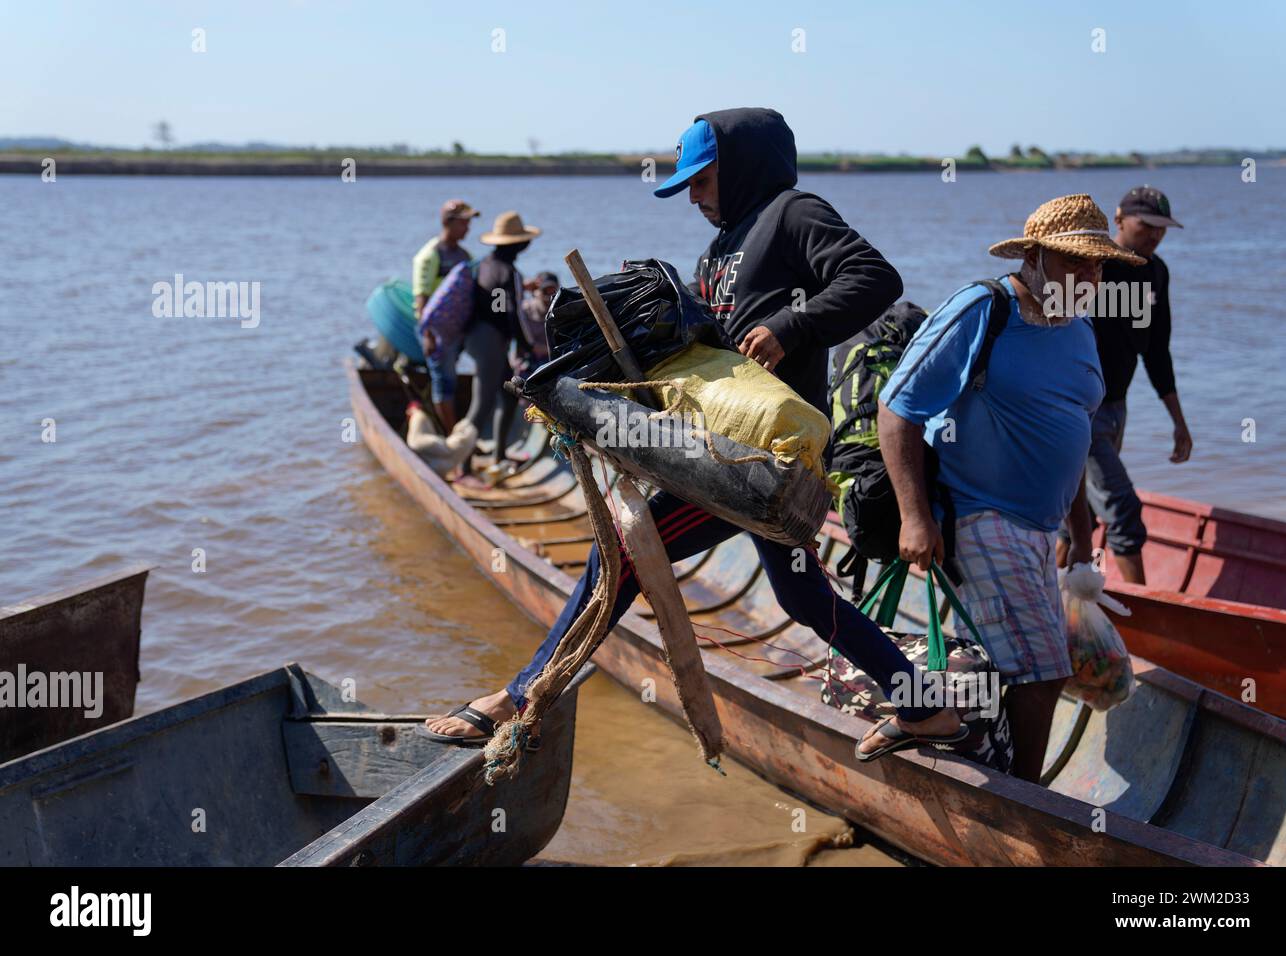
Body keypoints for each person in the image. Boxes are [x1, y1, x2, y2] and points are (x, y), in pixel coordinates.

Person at [423, 107, 967, 763]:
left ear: (738, 168)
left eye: (701, 182)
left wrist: (791, 328)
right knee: (800, 596)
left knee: (621, 554)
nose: (694, 199)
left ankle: (521, 696)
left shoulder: (794, 213)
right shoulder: (720, 248)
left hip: (766, 458)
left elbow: (875, 278)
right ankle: (924, 705)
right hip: (721, 448)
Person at [877, 193, 1146, 781]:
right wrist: (914, 518)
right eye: (1077, 263)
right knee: (1045, 667)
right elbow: (898, 411)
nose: (1091, 277)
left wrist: (1078, 534)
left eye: (1099, 265)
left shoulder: (1077, 330)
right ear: (1033, 257)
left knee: (1007, 664)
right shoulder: (983, 309)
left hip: (1039, 529)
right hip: (978, 515)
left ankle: (976, 762)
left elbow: (1071, 436)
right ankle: (1028, 799)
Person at [1056, 186, 1191, 584]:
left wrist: (1178, 422)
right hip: (1081, 413)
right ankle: (1144, 622)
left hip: (1116, 409)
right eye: (1146, 225)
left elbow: (1157, 351)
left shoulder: (1156, 273)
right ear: (1118, 220)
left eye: (1162, 228)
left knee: (1081, 511)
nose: (1154, 235)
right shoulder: (1093, 269)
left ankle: (1054, 594)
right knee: (1123, 511)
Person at [460, 211, 540, 487]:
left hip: (477, 338)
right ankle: (464, 468)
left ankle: (498, 457)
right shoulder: (511, 273)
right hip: (490, 342)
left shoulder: (485, 264)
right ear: (518, 245)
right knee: (480, 406)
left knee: (506, 398)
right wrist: (529, 346)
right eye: (525, 241)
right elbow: (516, 315)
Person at [414, 199, 479, 433]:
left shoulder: (464, 254)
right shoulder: (430, 255)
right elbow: (422, 298)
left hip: (456, 330)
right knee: (444, 383)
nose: (468, 229)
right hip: (436, 331)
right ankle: (452, 437)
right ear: (448, 223)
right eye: (463, 223)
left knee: (451, 377)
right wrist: (428, 335)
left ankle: (456, 428)